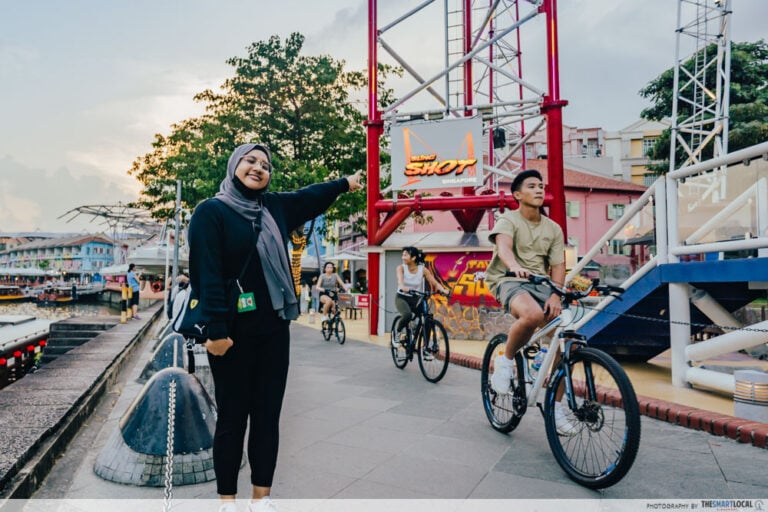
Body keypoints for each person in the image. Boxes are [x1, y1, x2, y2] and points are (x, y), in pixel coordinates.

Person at [187, 143, 364, 512]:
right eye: (250, 160)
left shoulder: (274, 208)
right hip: (230, 335)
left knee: (267, 417)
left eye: (265, 164)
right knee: (232, 418)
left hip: (272, 332)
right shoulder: (211, 212)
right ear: (235, 165)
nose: (258, 168)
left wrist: (345, 183)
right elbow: (208, 274)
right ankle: (226, 500)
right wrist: (216, 332)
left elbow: (310, 197)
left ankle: (261, 499)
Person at [483, 169, 574, 434]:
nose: (538, 190)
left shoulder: (553, 228)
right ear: (517, 195)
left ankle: (556, 409)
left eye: (541, 186)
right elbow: (504, 248)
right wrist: (514, 266)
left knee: (567, 341)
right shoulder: (507, 219)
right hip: (508, 279)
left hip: (542, 285)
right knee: (532, 316)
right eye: (532, 186)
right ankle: (505, 360)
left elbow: (558, 266)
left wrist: (557, 293)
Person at [392, 246, 448, 346]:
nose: (402, 257)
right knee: (407, 315)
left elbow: (435, 283)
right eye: (402, 255)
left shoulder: (423, 270)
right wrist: (402, 286)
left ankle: (426, 348)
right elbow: (400, 280)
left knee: (427, 319)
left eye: (405, 255)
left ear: (413, 258)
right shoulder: (401, 268)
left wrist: (442, 290)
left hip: (416, 298)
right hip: (402, 297)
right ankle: (397, 333)